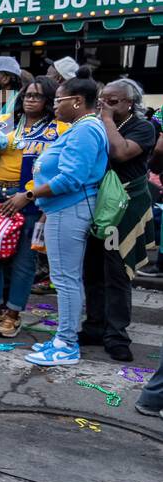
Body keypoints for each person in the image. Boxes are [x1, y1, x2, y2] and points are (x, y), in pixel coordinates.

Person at [0, 77, 67, 339]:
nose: (31, 99)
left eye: (38, 96)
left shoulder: (61, 129)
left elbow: (58, 169)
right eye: (28, 95)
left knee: (23, 262)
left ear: (49, 101)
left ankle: (12, 314)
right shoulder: (7, 121)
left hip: (30, 201)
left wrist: (28, 195)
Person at [20, 78, 108, 367]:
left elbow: (71, 178)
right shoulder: (82, 128)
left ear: (77, 101)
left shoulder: (85, 130)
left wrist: (29, 194)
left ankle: (67, 343)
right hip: (65, 209)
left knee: (65, 279)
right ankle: (63, 338)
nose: (54, 104)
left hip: (70, 208)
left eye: (58, 99)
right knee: (66, 278)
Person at [81, 78, 158, 361]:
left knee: (117, 272)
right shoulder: (94, 122)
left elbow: (120, 152)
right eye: (103, 100)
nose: (105, 105)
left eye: (113, 101)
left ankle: (117, 335)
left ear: (130, 103)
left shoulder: (144, 127)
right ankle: (94, 326)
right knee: (91, 270)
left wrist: (106, 118)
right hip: (95, 205)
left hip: (123, 208)